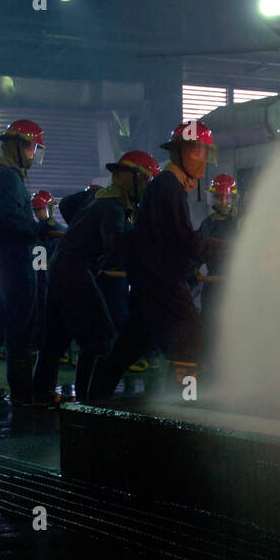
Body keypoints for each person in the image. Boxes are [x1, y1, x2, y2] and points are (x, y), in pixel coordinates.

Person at [88, 122, 227, 400]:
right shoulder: (168, 187)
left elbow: (163, 239)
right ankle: (184, 405)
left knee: (131, 343)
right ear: (180, 153)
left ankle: (94, 398)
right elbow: (181, 237)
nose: (202, 160)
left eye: (205, 153)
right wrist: (222, 249)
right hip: (162, 284)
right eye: (197, 152)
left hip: (149, 281)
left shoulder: (165, 186)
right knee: (192, 338)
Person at [31, 150, 159, 403]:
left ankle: (41, 393)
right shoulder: (112, 207)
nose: (146, 187)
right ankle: (90, 398)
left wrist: (82, 231)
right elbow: (116, 244)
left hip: (60, 267)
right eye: (145, 181)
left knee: (56, 339)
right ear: (128, 177)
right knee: (100, 336)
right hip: (75, 271)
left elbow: (67, 204)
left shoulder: (97, 197)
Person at [0, 119, 46, 403]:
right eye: (32, 148)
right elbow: (14, 218)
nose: (32, 154)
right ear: (20, 145)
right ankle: (22, 390)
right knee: (20, 326)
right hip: (14, 258)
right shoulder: (10, 177)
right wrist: (39, 230)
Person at [194, 173, 239, 364]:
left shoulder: (239, 223)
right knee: (210, 322)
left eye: (227, 196)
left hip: (235, 283)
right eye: (220, 196)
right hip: (213, 282)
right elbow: (198, 251)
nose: (224, 200)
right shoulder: (207, 224)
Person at [30, 189, 64, 360]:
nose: (38, 213)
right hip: (39, 279)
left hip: (54, 279)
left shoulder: (59, 232)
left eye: (41, 209)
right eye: (36, 210)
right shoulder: (35, 232)